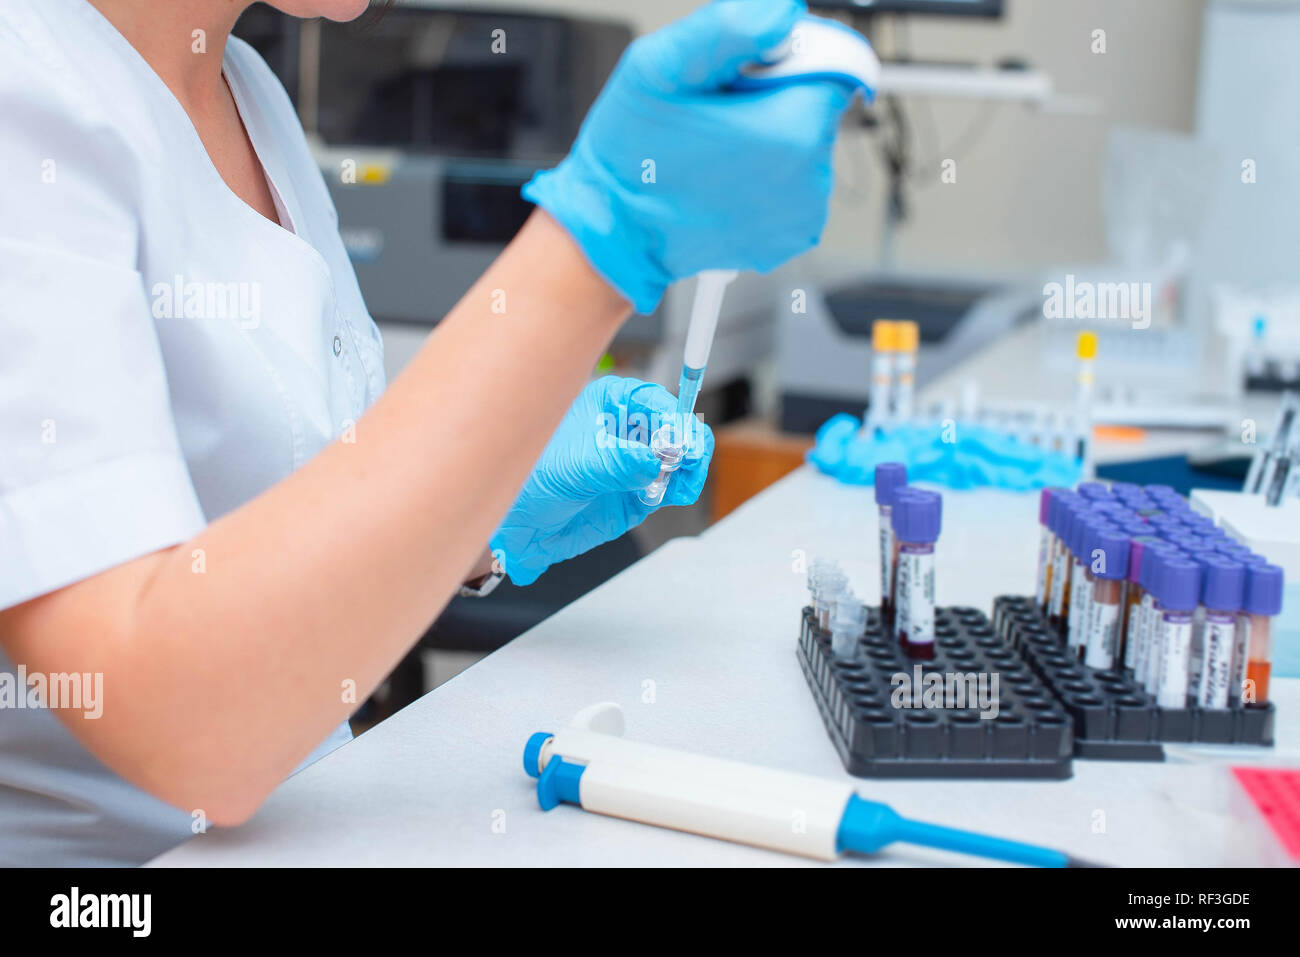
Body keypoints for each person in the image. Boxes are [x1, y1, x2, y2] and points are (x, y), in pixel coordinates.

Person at [0, 0, 852, 864]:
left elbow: (300, 513)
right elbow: (189, 732)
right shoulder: (23, 95)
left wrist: (479, 515)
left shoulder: (247, 90)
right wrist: (602, 240)